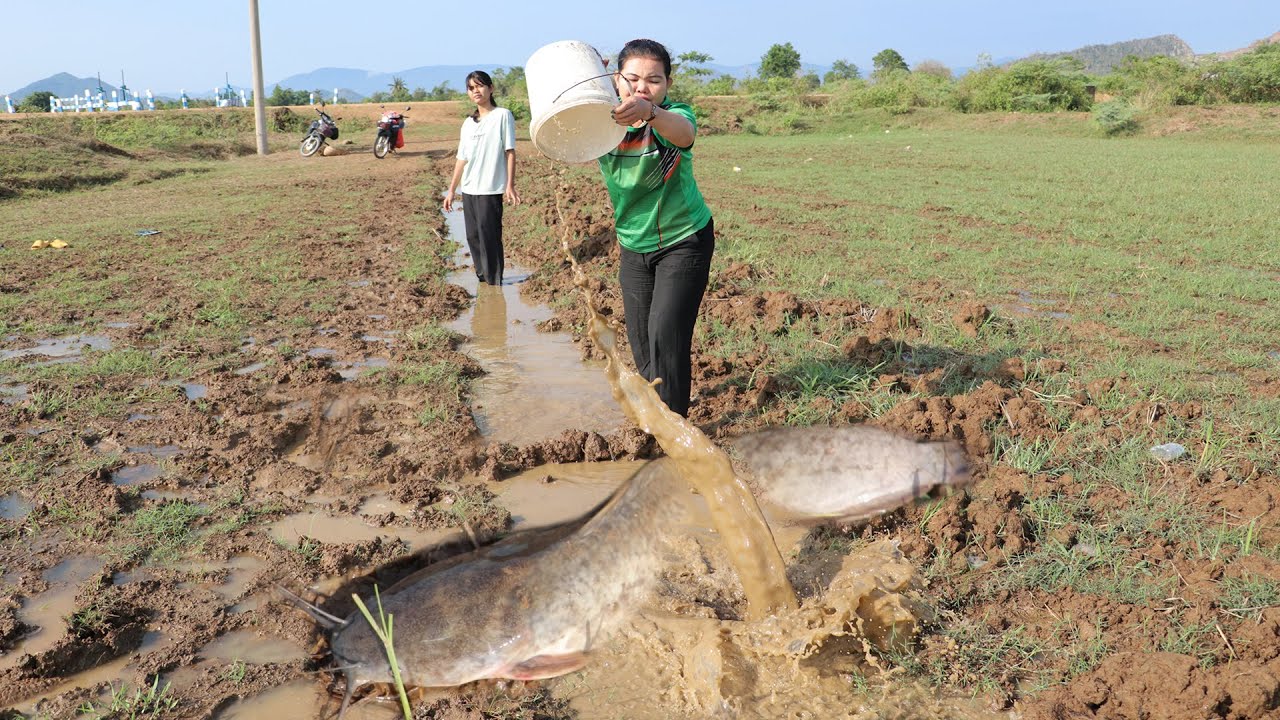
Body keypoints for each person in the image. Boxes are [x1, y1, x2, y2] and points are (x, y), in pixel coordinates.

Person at [599, 39, 714, 418]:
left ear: (666, 85)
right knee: (642, 345)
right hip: (633, 245)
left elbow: (684, 134)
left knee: (666, 334)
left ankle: (676, 428)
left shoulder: (671, 117)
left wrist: (649, 111)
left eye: (654, 80)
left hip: (683, 240)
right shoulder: (601, 123)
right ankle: (660, 413)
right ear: (616, 79)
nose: (641, 87)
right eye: (632, 79)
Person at [444, 70, 520, 286]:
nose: (475, 90)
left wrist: (510, 185)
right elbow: (462, 158)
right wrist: (452, 190)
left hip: (490, 188)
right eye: (471, 87)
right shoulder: (468, 123)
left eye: (479, 85)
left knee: (489, 237)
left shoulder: (503, 115)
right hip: (469, 188)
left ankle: (495, 281)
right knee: (473, 237)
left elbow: (510, 151)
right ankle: (483, 279)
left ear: (491, 88)